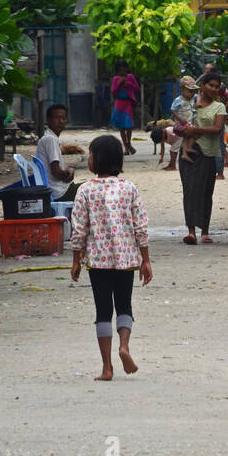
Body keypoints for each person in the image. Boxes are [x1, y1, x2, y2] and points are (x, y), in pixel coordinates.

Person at [70, 134, 151, 380]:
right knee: (124, 306)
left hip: (98, 262)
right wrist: (145, 259)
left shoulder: (85, 190)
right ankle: (124, 346)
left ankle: (107, 367)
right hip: (127, 259)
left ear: (98, 159)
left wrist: (76, 260)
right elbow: (141, 226)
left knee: (103, 311)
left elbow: (79, 229)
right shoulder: (129, 188)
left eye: (91, 154)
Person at [177, 71, 227, 245]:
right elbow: (178, 121)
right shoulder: (190, 103)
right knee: (189, 191)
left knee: (206, 192)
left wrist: (195, 130)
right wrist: (182, 130)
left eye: (216, 86)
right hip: (189, 151)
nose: (213, 88)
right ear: (203, 86)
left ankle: (204, 231)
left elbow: (217, 129)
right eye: (210, 85)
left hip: (208, 153)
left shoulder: (219, 107)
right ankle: (191, 231)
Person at [35, 104, 79, 202]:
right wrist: (69, 173)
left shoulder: (48, 137)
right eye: (57, 118)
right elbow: (56, 172)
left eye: (63, 118)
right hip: (59, 193)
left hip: (55, 189)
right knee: (92, 189)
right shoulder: (50, 139)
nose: (61, 121)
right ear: (49, 120)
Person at [204, 63, 228, 179]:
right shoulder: (205, 84)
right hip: (207, 116)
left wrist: (221, 109)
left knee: (219, 144)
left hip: (216, 117)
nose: (204, 72)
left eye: (206, 71)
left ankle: (220, 172)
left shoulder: (219, 85)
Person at [110, 60, 139, 154]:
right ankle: (127, 147)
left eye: (124, 68)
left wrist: (128, 84)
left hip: (128, 103)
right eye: (120, 69)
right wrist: (119, 83)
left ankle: (129, 143)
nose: (123, 70)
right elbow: (113, 92)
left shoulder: (130, 77)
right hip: (119, 103)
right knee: (122, 127)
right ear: (118, 69)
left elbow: (137, 88)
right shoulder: (115, 79)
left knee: (128, 125)